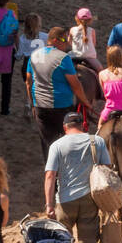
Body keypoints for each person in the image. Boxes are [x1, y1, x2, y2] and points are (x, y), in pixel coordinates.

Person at [44, 111, 111, 243]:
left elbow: (50, 176)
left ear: (65, 127)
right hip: (90, 199)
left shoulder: (57, 146)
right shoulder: (97, 141)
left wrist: (49, 204)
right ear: (82, 125)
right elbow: (107, 170)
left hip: (65, 201)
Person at [27, 27, 93, 161]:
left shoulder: (34, 56)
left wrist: (32, 104)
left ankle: (51, 174)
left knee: (48, 145)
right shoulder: (64, 58)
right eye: (64, 40)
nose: (67, 44)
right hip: (61, 106)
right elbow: (76, 85)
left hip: (40, 106)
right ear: (55, 40)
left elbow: (28, 82)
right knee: (66, 143)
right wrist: (86, 103)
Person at [70, 7, 101, 72]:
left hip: (75, 56)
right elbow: (94, 44)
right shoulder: (92, 30)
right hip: (90, 57)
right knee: (100, 71)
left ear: (77, 19)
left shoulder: (72, 29)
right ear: (90, 20)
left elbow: (69, 42)